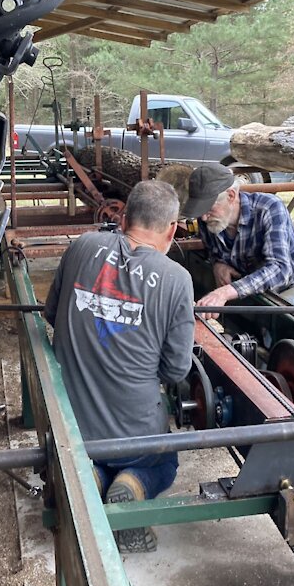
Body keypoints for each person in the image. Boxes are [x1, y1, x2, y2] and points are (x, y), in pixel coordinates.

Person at [43, 180, 194, 553]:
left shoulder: (82, 246)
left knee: (100, 451)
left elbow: (51, 314)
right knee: (164, 462)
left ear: (124, 217)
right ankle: (134, 484)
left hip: (73, 426)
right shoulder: (177, 280)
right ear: (172, 229)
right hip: (134, 437)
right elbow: (176, 370)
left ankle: (92, 476)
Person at [179, 164, 294, 317]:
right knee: (244, 319)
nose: (204, 218)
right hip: (259, 288)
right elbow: (214, 252)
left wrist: (225, 292)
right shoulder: (210, 221)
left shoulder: (269, 208)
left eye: (209, 209)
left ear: (231, 196)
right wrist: (218, 263)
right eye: (201, 211)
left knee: (276, 318)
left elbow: (280, 269)